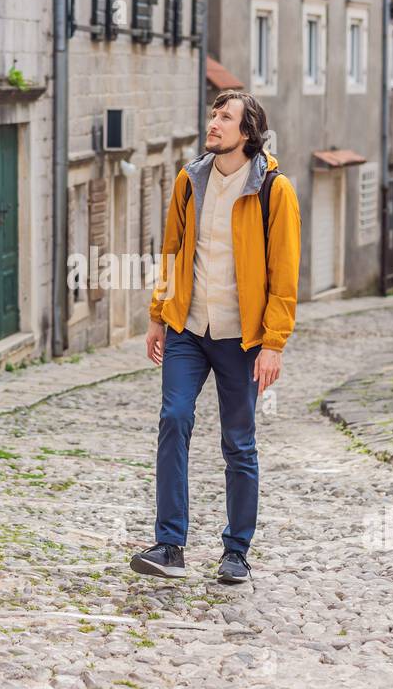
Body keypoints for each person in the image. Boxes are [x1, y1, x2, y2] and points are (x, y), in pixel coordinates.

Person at [129, 91, 300, 584]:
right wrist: (158, 314)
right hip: (188, 326)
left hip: (241, 337)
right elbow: (172, 250)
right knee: (173, 418)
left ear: (247, 132)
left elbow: (284, 272)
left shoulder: (274, 188)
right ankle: (169, 545)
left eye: (226, 117)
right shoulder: (191, 179)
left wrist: (274, 343)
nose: (214, 123)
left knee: (238, 443)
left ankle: (236, 551)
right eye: (212, 114)